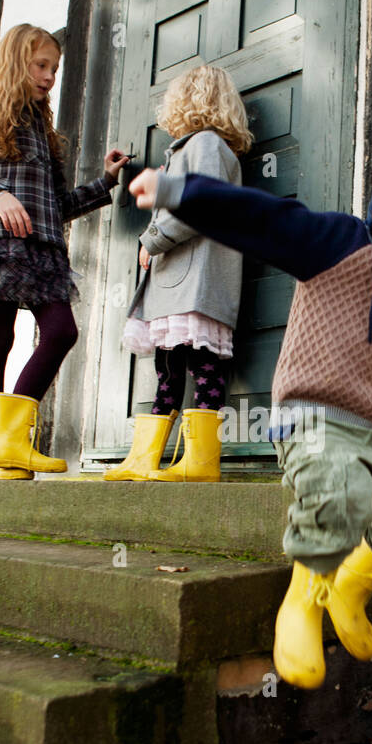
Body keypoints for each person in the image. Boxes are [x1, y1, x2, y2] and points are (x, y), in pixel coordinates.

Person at [127, 100, 372, 689]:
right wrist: (180, 191)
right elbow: (260, 218)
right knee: (341, 494)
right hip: (311, 417)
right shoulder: (335, 244)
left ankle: (350, 587)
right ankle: (303, 598)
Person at [0, 23, 130, 477]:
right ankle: (0, 454)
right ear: (14, 63)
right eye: (40, 65)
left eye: (54, 68)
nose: (49, 76)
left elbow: (58, 206)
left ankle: (4, 445)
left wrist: (105, 183)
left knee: (62, 330)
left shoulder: (44, 134)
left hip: (43, 250)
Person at [104, 64, 252, 483]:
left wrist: (152, 240)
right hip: (178, 281)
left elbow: (200, 206)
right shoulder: (190, 148)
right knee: (168, 368)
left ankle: (200, 462)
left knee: (204, 364)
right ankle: (143, 458)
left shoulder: (205, 144)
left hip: (196, 279)